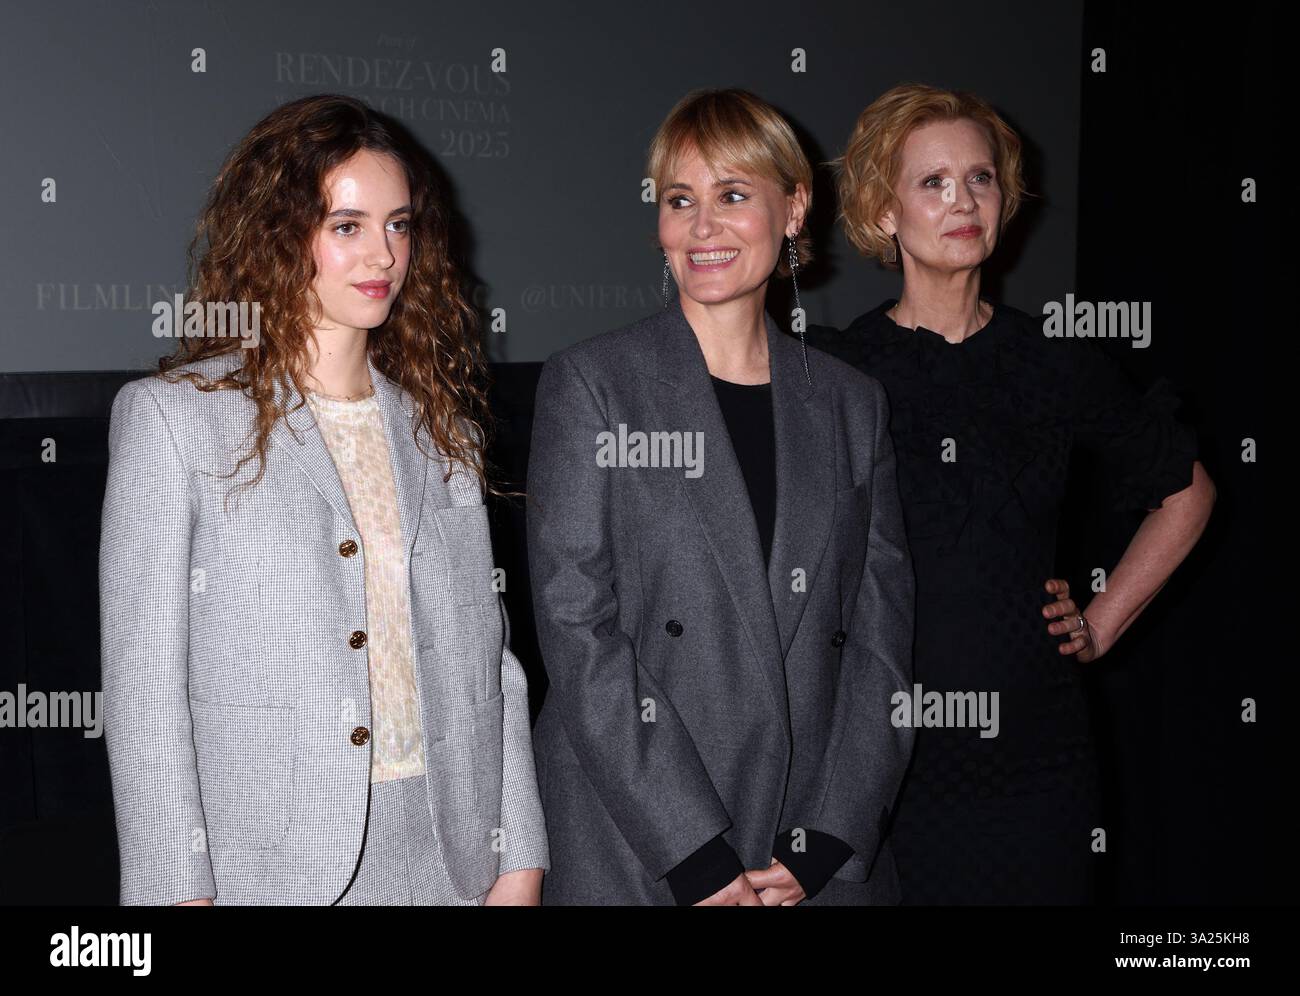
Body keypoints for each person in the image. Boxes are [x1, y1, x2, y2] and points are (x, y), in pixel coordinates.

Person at [99, 94, 548, 906]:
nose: (383, 253)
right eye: (347, 226)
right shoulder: (173, 421)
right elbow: (144, 698)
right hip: (270, 872)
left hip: (454, 862)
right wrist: (176, 895)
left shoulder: (440, 430)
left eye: (399, 224)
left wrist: (520, 861)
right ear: (278, 233)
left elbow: (492, 662)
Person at [807, 83, 1216, 903]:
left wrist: (1099, 626)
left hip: (1038, 759)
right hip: (890, 761)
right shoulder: (843, 372)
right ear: (885, 213)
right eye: (933, 182)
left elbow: (1188, 491)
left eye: (981, 179)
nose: (963, 200)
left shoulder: (1053, 360)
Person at [526, 88, 915, 905]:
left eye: (733, 195)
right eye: (680, 201)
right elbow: (576, 629)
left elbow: (881, 635)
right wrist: (693, 852)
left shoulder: (852, 402)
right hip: (640, 841)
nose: (702, 227)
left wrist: (831, 833)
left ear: (795, 207)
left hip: (804, 849)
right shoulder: (593, 385)